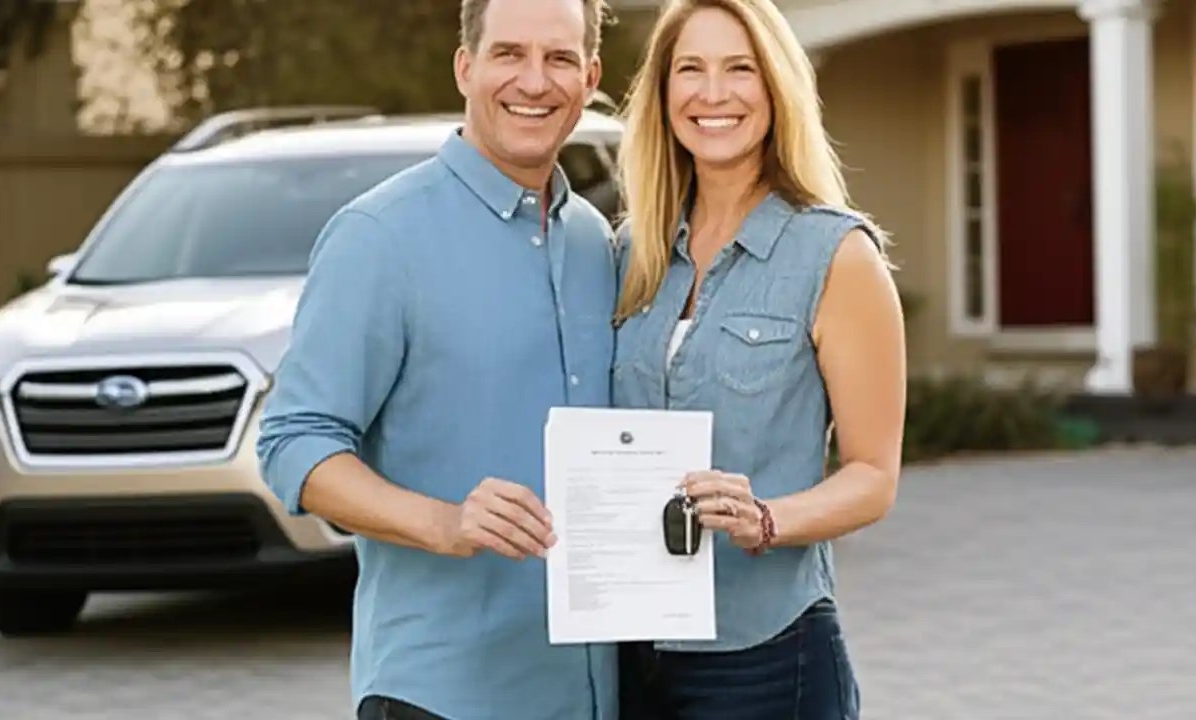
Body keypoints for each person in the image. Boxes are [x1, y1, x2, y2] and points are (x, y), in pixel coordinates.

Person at [255, 0, 620, 718]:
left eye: (560, 58)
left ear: (590, 76)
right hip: (442, 695)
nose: (535, 81)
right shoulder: (378, 237)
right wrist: (445, 522)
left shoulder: (593, 241)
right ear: (466, 67)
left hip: (592, 693)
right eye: (509, 54)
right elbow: (294, 443)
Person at [610, 0, 907, 717]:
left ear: (776, 88)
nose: (714, 94)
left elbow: (873, 476)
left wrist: (767, 519)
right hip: (630, 652)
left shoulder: (836, 255)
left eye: (739, 68)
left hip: (768, 656)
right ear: (662, 93)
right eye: (691, 70)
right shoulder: (631, 255)